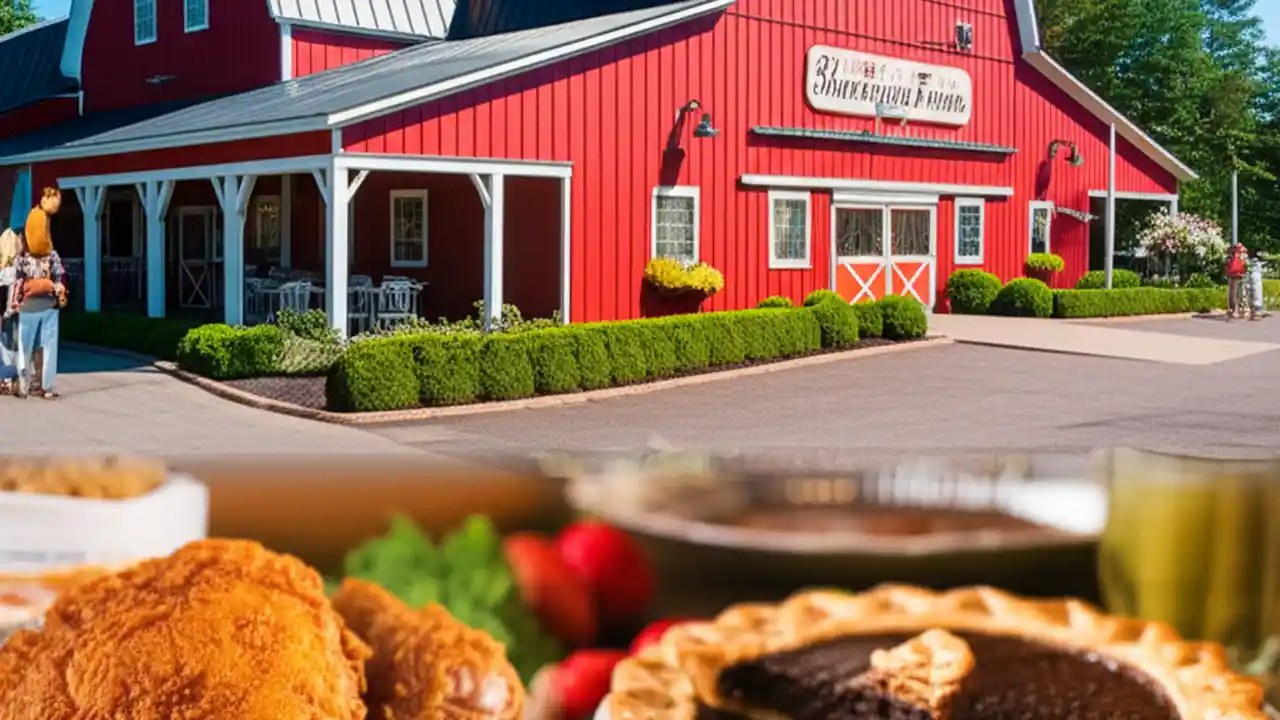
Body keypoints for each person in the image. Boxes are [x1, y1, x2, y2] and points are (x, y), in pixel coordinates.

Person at [11, 187, 67, 399]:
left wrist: (14, 302)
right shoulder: (51, 255)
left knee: (25, 345)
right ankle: (46, 386)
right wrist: (58, 288)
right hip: (49, 305)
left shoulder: (22, 257)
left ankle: (24, 383)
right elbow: (60, 277)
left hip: (28, 305)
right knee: (48, 345)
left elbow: (17, 280)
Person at [0, 227, 19, 395]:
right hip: (21, 313)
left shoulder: (3, 270)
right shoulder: (21, 267)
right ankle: (17, 379)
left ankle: (6, 380)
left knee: (6, 348)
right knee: (17, 347)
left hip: (6, 314)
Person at [1225, 242, 1247, 321]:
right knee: (1236, 294)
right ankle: (1236, 310)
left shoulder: (1238, 256)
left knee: (1236, 294)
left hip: (1236, 276)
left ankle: (1236, 310)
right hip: (1236, 276)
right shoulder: (1238, 256)